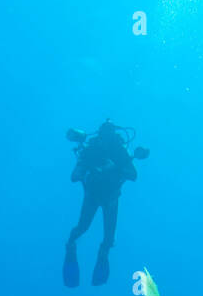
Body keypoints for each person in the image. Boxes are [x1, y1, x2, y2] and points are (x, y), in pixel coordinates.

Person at [64, 120, 149, 286]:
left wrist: (113, 168)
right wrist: (84, 169)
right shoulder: (90, 149)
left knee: (107, 237)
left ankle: (98, 252)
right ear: (100, 135)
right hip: (94, 195)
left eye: (109, 135)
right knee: (83, 228)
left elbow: (133, 175)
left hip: (109, 197)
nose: (106, 139)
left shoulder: (120, 151)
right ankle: (72, 245)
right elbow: (74, 176)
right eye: (104, 135)